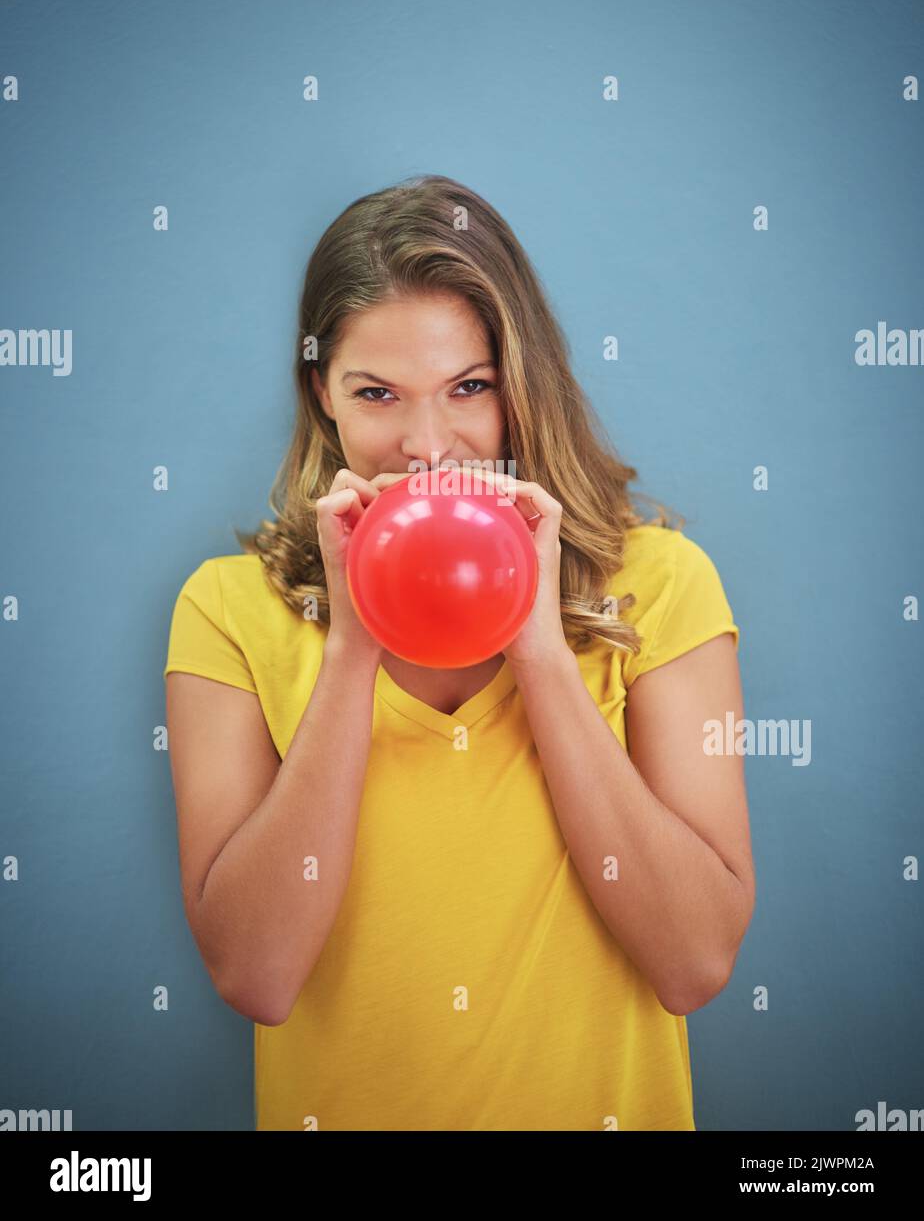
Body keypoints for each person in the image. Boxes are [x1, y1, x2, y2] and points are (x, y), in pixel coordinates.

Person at [163, 174, 754, 1131]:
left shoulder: (667, 584)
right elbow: (257, 975)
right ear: (322, 394)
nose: (428, 448)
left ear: (522, 384)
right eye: (378, 394)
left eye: (468, 388)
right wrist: (354, 645)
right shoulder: (226, 611)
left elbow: (696, 962)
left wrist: (539, 647)